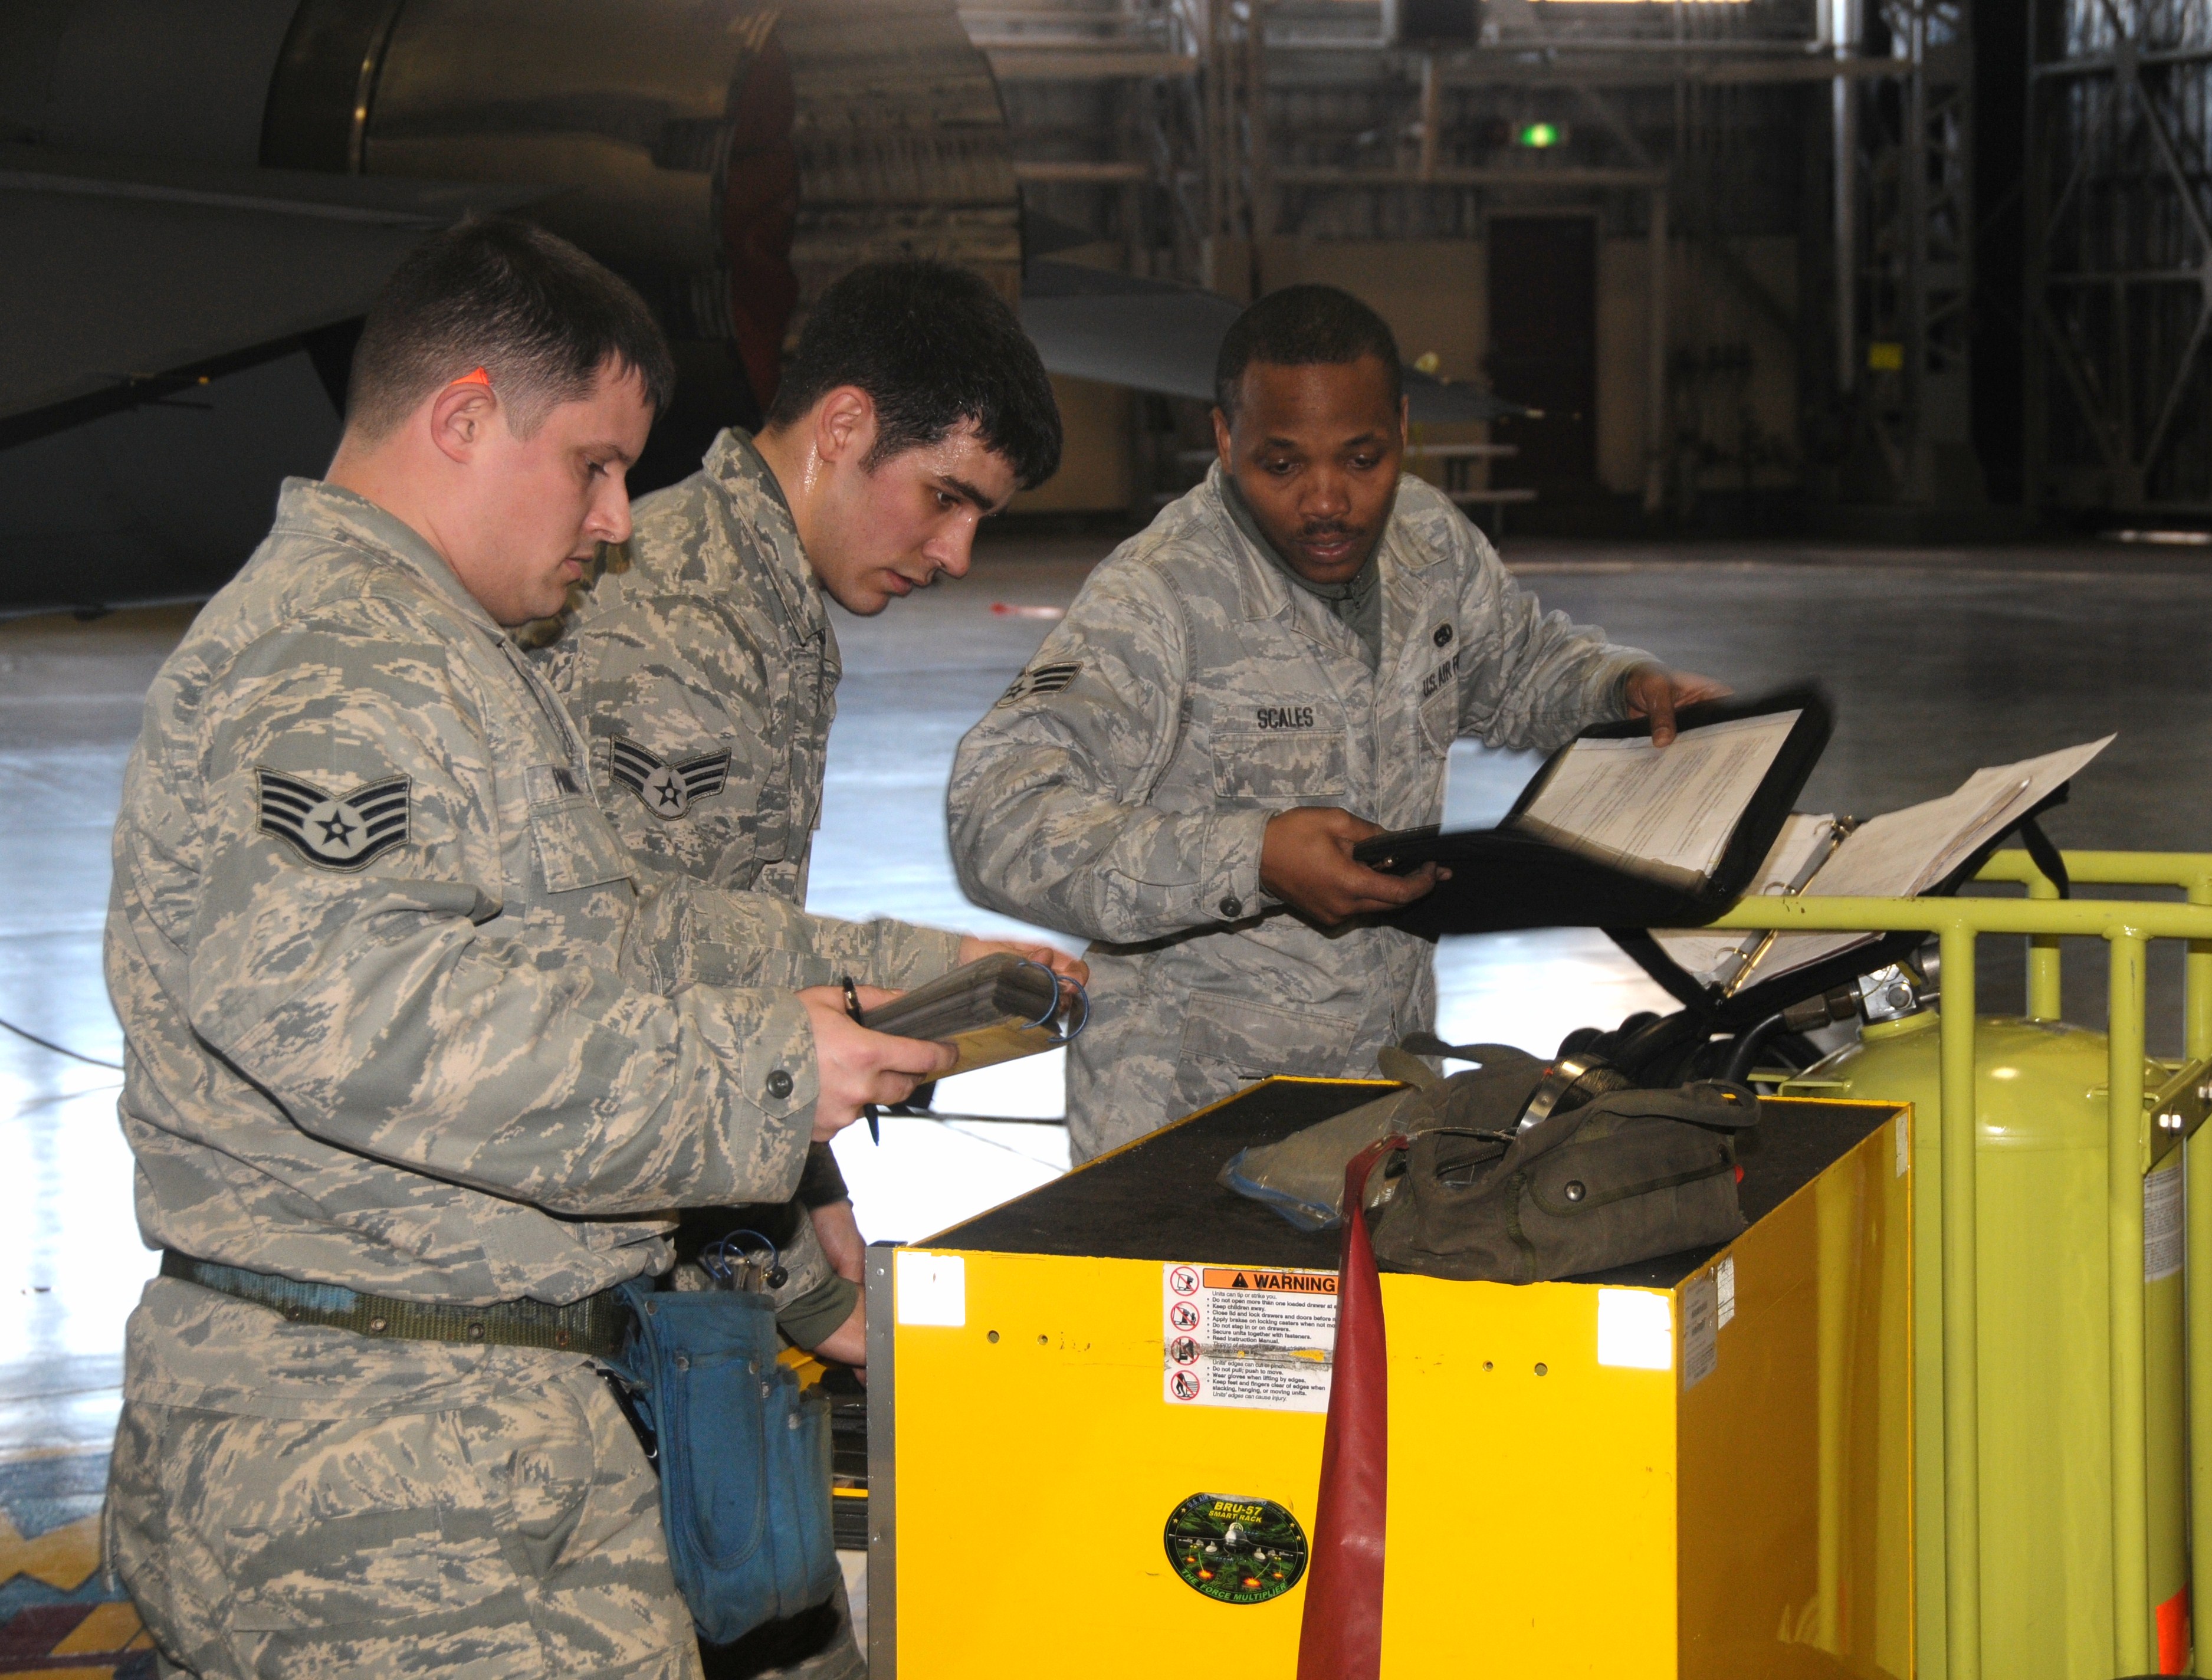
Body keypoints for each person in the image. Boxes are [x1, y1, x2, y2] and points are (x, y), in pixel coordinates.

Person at [101, 218, 956, 1679]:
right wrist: (755, 1074)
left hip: (483, 1433)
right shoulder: (332, 658)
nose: (620, 516)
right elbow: (357, 1012)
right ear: (464, 416)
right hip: (372, 1475)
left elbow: (615, 929)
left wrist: (900, 965)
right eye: (595, 464)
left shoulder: (448, 652)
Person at [947, 284, 1725, 1160]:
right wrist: (1254, 858)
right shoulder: (1160, 599)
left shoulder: (1428, 542)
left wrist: (1616, 686)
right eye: (1282, 466)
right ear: (1225, 438)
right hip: (1189, 1122)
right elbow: (997, 819)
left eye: (1363, 459)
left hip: (1385, 1093)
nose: (1329, 501)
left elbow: (1517, 664)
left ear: (1399, 426)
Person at [536, 258, 1078, 1376]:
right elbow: (651, 981)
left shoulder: (767, 602)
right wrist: (801, 1290)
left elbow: (749, 976)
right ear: (844, 427)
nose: (957, 554)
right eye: (946, 496)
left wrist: (813, 1192)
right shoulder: (677, 619)